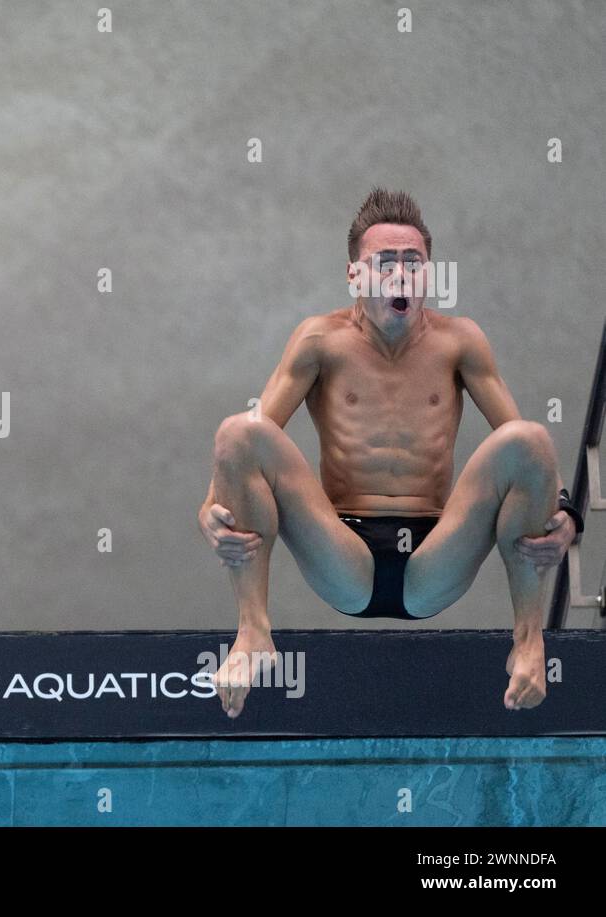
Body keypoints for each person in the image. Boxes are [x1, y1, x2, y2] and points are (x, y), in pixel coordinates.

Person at [199, 188, 581, 717]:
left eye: (412, 262)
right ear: (355, 275)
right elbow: (242, 458)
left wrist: (564, 510)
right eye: (384, 263)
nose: (399, 275)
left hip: (434, 558)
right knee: (239, 431)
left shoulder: (460, 342)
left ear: (428, 274)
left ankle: (529, 643)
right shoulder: (319, 342)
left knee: (531, 438)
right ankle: (253, 632)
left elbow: (527, 459)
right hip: (342, 554)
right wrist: (209, 514)